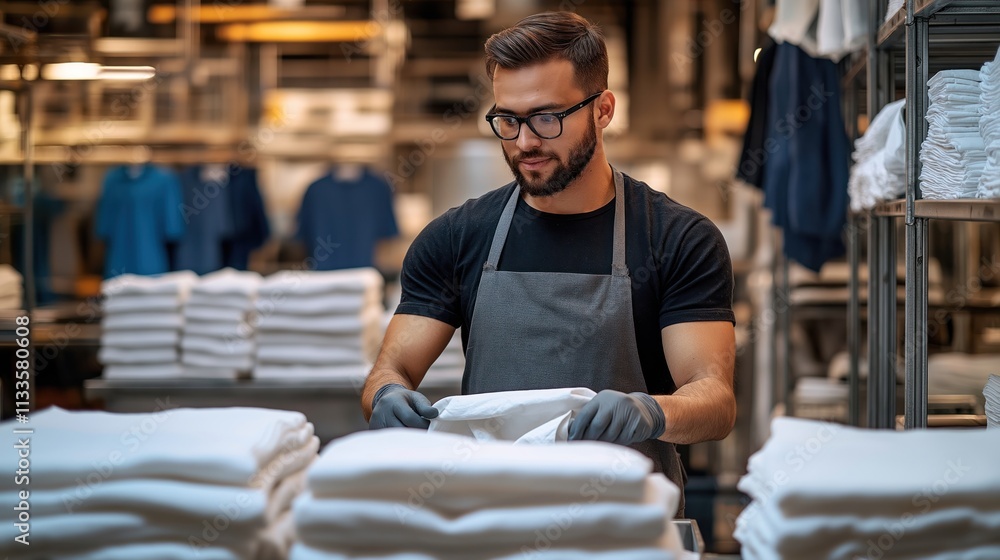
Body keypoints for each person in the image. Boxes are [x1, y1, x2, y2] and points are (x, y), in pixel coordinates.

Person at [361, 11, 736, 513]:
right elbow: (393, 368)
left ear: (603, 110)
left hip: (625, 524)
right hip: (487, 519)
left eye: (546, 117)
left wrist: (650, 411)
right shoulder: (457, 237)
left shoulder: (676, 238)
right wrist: (387, 394)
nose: (524, 142)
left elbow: (715, 401)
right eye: (508, 120)